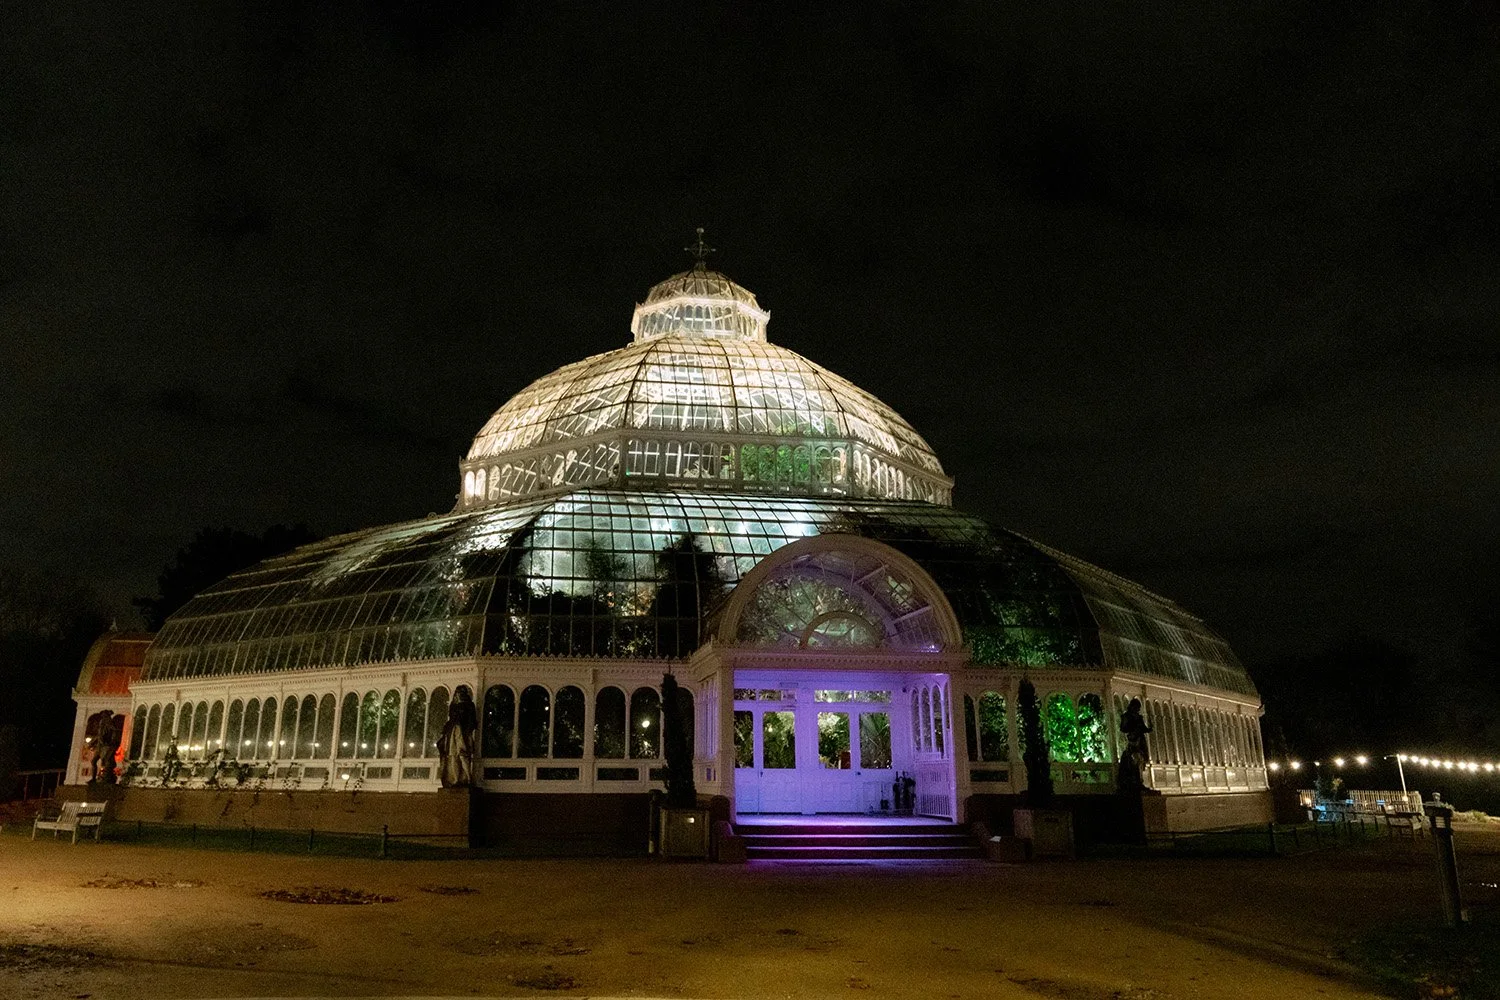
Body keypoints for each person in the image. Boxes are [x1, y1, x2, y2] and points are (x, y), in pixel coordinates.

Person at [438, 687, 478, 788]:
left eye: (460, 693)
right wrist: (444, 732)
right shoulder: (453, 705)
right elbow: (451, 719)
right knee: (453, 756)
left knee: (463, 755)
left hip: (462, 732)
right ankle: (455, 780)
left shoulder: (469, 705)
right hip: (453, 732)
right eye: (457, 693)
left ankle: (468, 778)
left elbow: (472, 721)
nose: (458, 695)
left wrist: (468, 732)